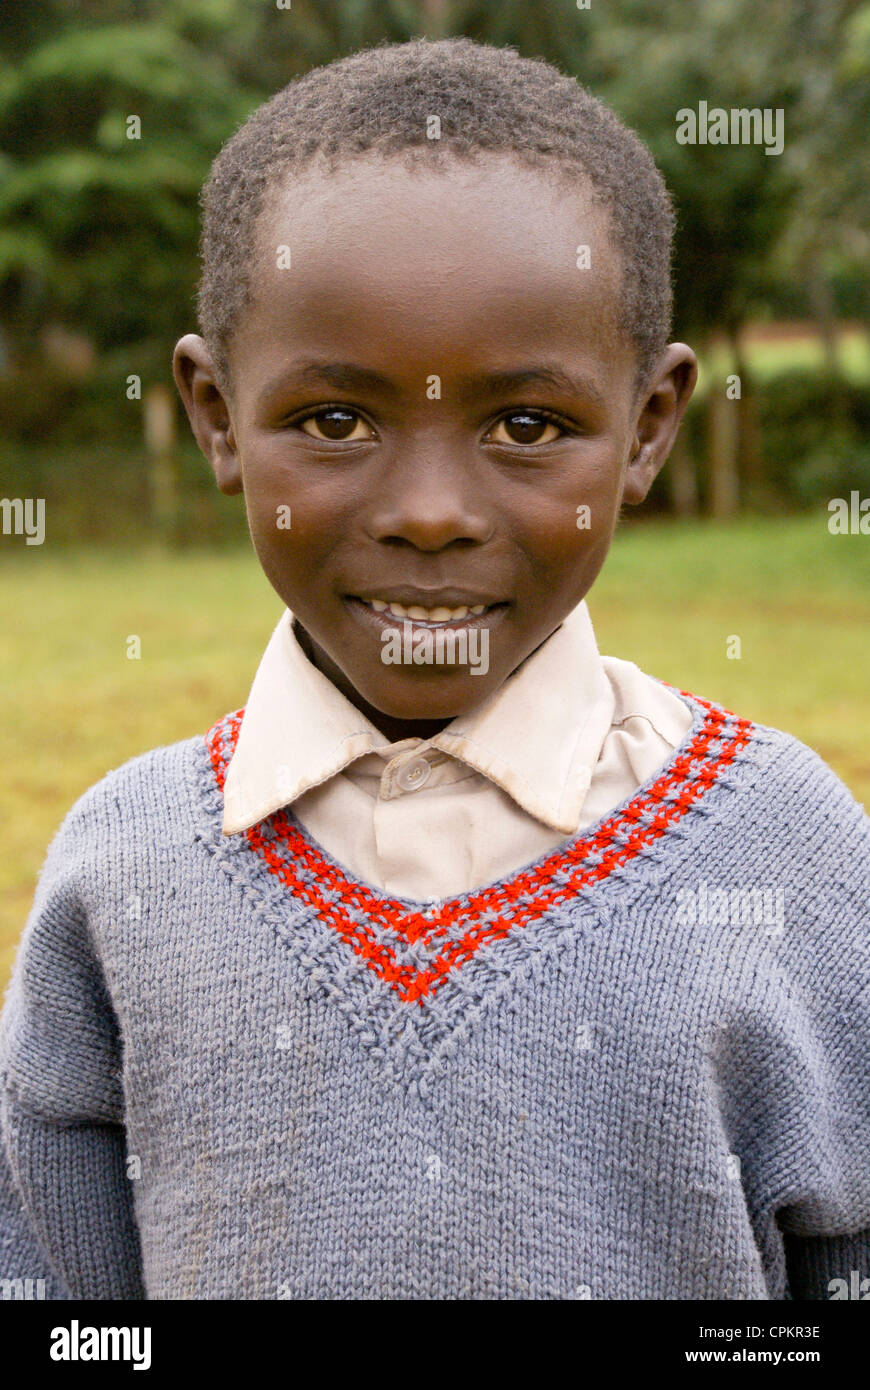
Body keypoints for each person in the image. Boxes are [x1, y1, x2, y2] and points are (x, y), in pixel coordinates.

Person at [2, 38, 868, 1300]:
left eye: (528, 426)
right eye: (334, 420)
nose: (426, 512)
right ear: (214, 417)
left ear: (649, 429)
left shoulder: (791, 855)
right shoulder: (118, 878)